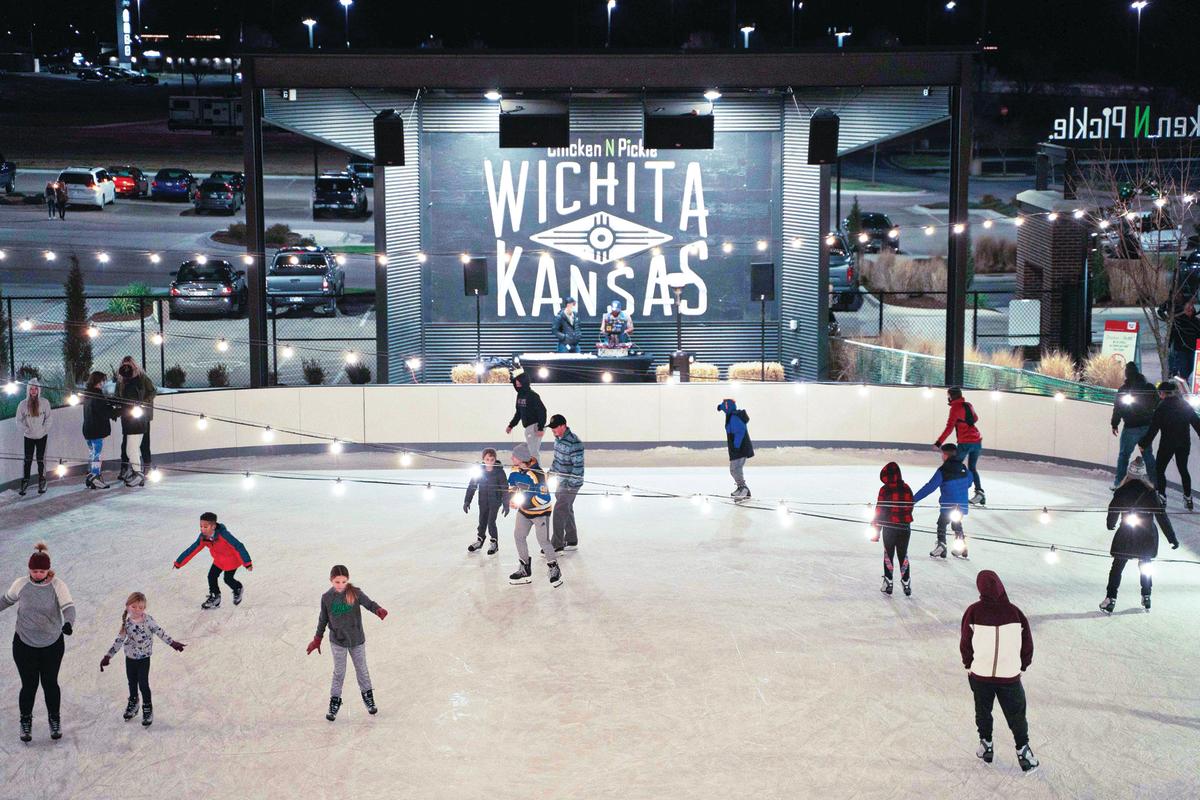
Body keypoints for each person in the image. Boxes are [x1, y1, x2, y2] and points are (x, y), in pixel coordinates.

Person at [960, 569, 1038, 773]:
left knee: (982, 711)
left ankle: (986, 744)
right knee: (1017, 714)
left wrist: (968, 665)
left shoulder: (973, 612)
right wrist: (1022, 665)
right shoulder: (1015, 613)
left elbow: (965, 643)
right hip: (1009, 676)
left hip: (980, 675)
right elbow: (1027, 644)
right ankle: (1023, 751)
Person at [1, 543, 76, 743]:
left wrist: (68, 623)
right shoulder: (21, 583)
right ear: (29, 569)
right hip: (24, 644)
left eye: (42, 571)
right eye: (34, 571)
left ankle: (54, 719)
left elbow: (69, 608)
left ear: (48, 569)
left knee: (50, 683)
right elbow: (6, 600)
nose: (38, 574)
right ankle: (25, 721)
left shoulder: (58, 585)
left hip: (51, 644)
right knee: (29, 685)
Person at [306, 564, 387, 721]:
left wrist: (378, 610)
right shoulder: (327, 598)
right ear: (331, 580)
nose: (341, 585)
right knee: (339, 673)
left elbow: (369, 603)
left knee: (362, 670)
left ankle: (368, 698)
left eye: (343, 582)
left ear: (347, 580)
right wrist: (317, 639)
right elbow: (323, 619)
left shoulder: (355, 593)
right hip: (338, 641)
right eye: (337, 582)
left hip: (357, 639)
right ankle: (334, 702)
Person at [1102, 457, 1179, 614]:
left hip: (1126, 534)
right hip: (1147, 536)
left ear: (1129, 473)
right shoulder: (1151, 493)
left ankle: (1110, 599)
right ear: (1144, 475)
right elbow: (1162, 517)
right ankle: (1147, 595)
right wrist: (1172, 538)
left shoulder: (1122, 491)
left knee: (1117, 567)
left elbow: (1113, 510)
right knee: (1145, 566)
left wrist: (1111, 524)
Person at [100, 592, 186, 727]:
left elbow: (160, 632)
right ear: (128, 606)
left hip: (144, 658)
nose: (137, 610)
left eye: (141, 607)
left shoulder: (148, 620)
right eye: (134, 607)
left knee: (143, 684)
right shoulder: (126, 623)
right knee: (132, 682)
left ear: (144, 608)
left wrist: (173, 643)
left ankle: (147, 707)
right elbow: (119, 640)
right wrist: (108, 656)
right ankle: (133, 702)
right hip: (130, 657)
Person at [1137, 380, 1200, 509]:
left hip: (1167, 444)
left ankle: (1162, 497)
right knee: (1183, 469)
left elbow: (1153, 429)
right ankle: (1188, 498)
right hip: (1183, 443)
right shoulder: (1184, 405)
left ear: (1162, 393)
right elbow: (1196, 423)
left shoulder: (1161, 407)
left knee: (1160, 469)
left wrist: (1143, 443)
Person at [506, 443, 562, 588]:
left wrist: (522, 503)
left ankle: (554, 568)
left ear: (522, 458)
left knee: (543, 541)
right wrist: (512, 499)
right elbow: (512, 487)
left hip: (540, 512)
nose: (512, 458)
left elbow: (544, 498)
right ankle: (524, 568)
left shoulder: (538, 474)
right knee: (519, 536)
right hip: (524, 511)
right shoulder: (514, 470)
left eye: (515, 456)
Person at [172, 512, 254, 610]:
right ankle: (215, 597)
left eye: (205, 527)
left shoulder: (224, 535)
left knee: (227, 579)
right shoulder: (204, 537)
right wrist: (179, 562)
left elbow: (238, 546)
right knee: (211, 576)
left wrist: (247, 563)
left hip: (231, 561)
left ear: (213, 526)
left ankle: (238, 588)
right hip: (218, 560)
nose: (202, 529)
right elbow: (192, 549)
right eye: (201, 526)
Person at [913, 443, 973, 559]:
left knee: (941, 524)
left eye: (942, 454)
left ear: (946, 455)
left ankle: (941, 545)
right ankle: (962, 547)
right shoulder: (963, 468)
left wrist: (913, 499)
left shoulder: (943, 470)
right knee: (957, 524)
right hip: (961, 505)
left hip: (948, 504)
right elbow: (970, 481)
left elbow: (930, 487)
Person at [1110, 362, 1158, 489]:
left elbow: (1118, 409)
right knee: (1148, 456)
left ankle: (1119, 483)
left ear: (1127, 374)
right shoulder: (1149, 387)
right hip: (1147, 427)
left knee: (1124, 456)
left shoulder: (1123, 390)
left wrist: (1114, 424)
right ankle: (1155, 483)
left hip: (1130, 427)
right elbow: (1157, 404)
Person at [934, 387, 985, 506]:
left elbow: (949, 427)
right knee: (972, 467)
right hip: (977, 441)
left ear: (951, 396)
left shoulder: (954, 408)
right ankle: (979, 493)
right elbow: (975, 418)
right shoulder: (969, 405)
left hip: (965, 442)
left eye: (948, 395)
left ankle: (955, 491)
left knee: (954, 466)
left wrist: (939, 442)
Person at [872, 462, 914, 596]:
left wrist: (876, 530)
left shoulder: (884, 490)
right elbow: (910, 506)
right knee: (903, 553)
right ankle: (906, 583)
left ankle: (888, 582)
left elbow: (879, 510)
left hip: (890, 527)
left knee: (888, 554)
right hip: (905, 527)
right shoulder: (906, 487)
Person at [116, 357, 157, 487]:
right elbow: (118, 396)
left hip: (141, 416)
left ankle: (145, 468)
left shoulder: (141, 379)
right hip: (128, 417)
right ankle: (128, 469)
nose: (126, 368)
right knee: (127, 446)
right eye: (124, 366)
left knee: (143, 443)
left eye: (129, 366)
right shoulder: (122, 381)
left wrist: (143, 403)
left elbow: (152, 391)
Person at [548, 413, 585, 552]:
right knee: (566, 508)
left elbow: (578, 467)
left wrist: (570, 486)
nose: (553, 430)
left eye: (555, 427)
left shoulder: (575, 443)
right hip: (561, 480)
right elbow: (556, 460)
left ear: (563, 426)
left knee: (559, 510)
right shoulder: (557, 439)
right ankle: (571, 538)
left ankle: (556, 543)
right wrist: (551, 473)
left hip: (572, 483)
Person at [464, 447, 509, 555]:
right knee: (482, 521)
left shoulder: (499, 472)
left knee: (491, 522)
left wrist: (506, 504)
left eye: (492, 460)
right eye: (487, 459)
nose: (489, 462)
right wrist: (467, 501)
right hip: (483, 501)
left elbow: (504, 488)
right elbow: (472, 486)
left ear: (495, 460)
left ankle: (494, 542)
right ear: (483, 459)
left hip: (495, 501)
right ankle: (480, 540)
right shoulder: (479, 471)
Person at [82, 370, 120, 490]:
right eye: (103, 380)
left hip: (88, 430)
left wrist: (111, 403)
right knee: (96, 455)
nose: (104, 383)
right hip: (95, 430)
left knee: (92, 453)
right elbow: (104, 412)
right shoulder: (97, 395)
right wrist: (120, 411)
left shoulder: (88, 394)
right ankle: (95, 476)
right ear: (98, 381)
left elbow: (102, 407)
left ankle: (92, 475)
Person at [16, 378, 52, 497]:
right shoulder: (22, 404)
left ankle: (42, 481)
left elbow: (49, 418)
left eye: (35, 389)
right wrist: (26, 429)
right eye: (31, 389)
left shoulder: (45, 402)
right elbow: (18, 420)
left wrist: (44, 430)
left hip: (42, 436)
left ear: (38, 390)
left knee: (41, 460)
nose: (33, 391)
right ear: (28, 390)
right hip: (29, 436)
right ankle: (25, 481)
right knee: (27, 460)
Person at [505, 367, 547, 461]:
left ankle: (537, 471)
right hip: (528, 427)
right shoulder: (519, 395)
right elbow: (518, 413)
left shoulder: (533, 396)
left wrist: (540, 427)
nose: (517, 383)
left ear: (524, 382)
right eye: (516, 382)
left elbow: (542, 411)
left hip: (535, 426)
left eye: (519, 382)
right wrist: (511, 425)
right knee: (531, 450)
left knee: (533, 452)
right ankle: (532, 468)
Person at [717, 399, 754, 500]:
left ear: (727, 407)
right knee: (735, 469)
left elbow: (740, 432)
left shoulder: (734, 417)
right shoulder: (731, 416)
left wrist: (736, 446)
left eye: (723, 408)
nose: (723, 411)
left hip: (740, 448)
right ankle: (741, 487)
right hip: (737, 448)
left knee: (735, 469)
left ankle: (744, 489)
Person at [1167, 299, 1200, 383]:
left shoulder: (1196, 321)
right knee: (1183, 369)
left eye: (1191, 307)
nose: (1189, 309)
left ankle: (1190, 385)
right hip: (1181, 349)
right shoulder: (1178, 321)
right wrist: (1169, 344)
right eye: (1187, 307)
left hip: (1193, 349)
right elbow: (1172, 334)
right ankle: (1185, 385)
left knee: (1192, 368)